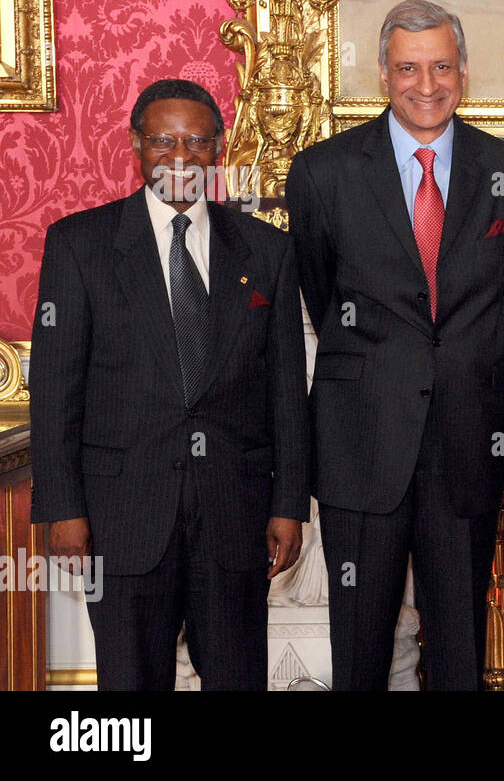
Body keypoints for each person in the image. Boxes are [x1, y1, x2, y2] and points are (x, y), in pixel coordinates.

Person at [287, 0, 504, 690]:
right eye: (407, 67)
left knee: (458, 651)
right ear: (382, 73)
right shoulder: (323, 173)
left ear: (464, 71)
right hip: (359, 440)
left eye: (440, 67)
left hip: (466, 440)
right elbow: (321, 292)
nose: (425, 84)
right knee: (360, 647)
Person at [29, 79, 309, 690]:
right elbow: (55, 389)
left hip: (234, 513)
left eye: (196, 142)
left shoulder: (267, 251)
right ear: (136, 145)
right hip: (121, 514)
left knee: (237, 678)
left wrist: (289, 504)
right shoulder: (80, 245)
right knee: (129, 684)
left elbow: (287, 392)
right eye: (162, 141)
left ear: (217, 148)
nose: (179, 157)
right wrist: (63, 508)